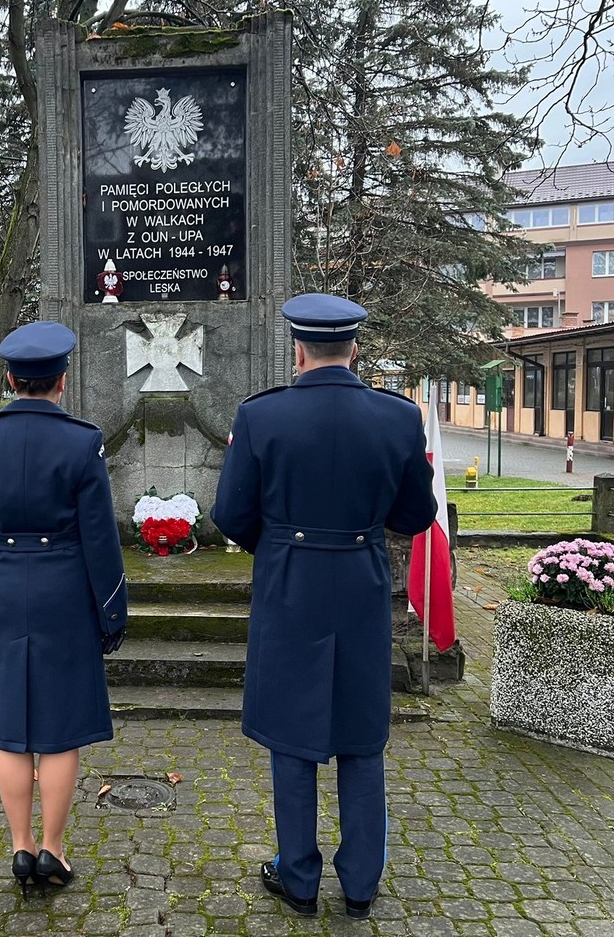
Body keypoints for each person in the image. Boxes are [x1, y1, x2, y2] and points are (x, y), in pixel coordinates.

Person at [212, 294, 436, 920]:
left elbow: (232, 513)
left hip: (290, 585)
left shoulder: (263, 416)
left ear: (299, 349)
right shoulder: (397, 417)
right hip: (361, 585)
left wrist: (281, 542)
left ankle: (299, 878)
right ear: (354, 348)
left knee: (293, 733)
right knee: (361, 737)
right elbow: (417, 515)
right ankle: (361, 883)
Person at [0, 320, 128, 899]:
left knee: (10, 729)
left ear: (10, 379)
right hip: (63, 595)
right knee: (58, 730)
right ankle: (53, 848)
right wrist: (111, 610)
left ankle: (20, 846)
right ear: (62, 380)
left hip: (2, 591)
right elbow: (100, 538)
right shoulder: (82, 441)